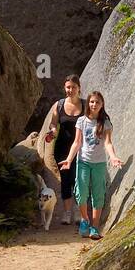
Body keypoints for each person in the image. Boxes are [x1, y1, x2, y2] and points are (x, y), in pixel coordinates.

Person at [59, 91, 121, 240]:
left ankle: (94, 226)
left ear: (102, 105)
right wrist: (68, 159)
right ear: (88, 103)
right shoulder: (81, 121)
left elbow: (107, 143)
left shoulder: (105, 122)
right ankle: (85, 220)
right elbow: (77, 142)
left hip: (99, 163)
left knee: (98, 195)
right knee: (81, 194)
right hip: (83, 162)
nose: (94, 105)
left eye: (97, 102)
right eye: (92, 102)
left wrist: (113, 157)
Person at [42, 75, 85, 224]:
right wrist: (52, 132)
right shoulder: (59, 105)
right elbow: (53, 124)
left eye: (73, 87)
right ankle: (67, 213)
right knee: (66, 181)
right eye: (68, 87)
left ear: (79, 88)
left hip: (80, 149)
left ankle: (78, 211)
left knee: (79, 180)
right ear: (64, 88)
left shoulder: (85, 106)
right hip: (62, 149)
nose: (70, 90)